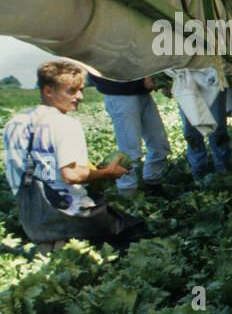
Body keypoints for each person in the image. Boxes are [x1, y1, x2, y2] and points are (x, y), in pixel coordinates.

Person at [3, 60, 146, 247]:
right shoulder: (65, 124)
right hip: (71, 216)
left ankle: (51, 247)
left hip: (33, 219)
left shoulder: (15, 123)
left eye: (81, 90)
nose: (79, 96)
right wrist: (107, 173)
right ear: (48, 91)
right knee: (136, 233)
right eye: (71, 90)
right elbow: (70, 175)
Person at [86, 73, 170, 196]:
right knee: (130, 153)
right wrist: (139, 83)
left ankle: (154, 185)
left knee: (160, 145)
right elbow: (100, 75)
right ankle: (127, 195)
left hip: (142, 94)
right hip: (121, 96)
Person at [168, 67, 231, 179]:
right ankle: (198, 175)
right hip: (184, 79)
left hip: (211, 76)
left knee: (218, 132)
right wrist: (163, 82)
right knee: (192, 134)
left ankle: (224, 174)